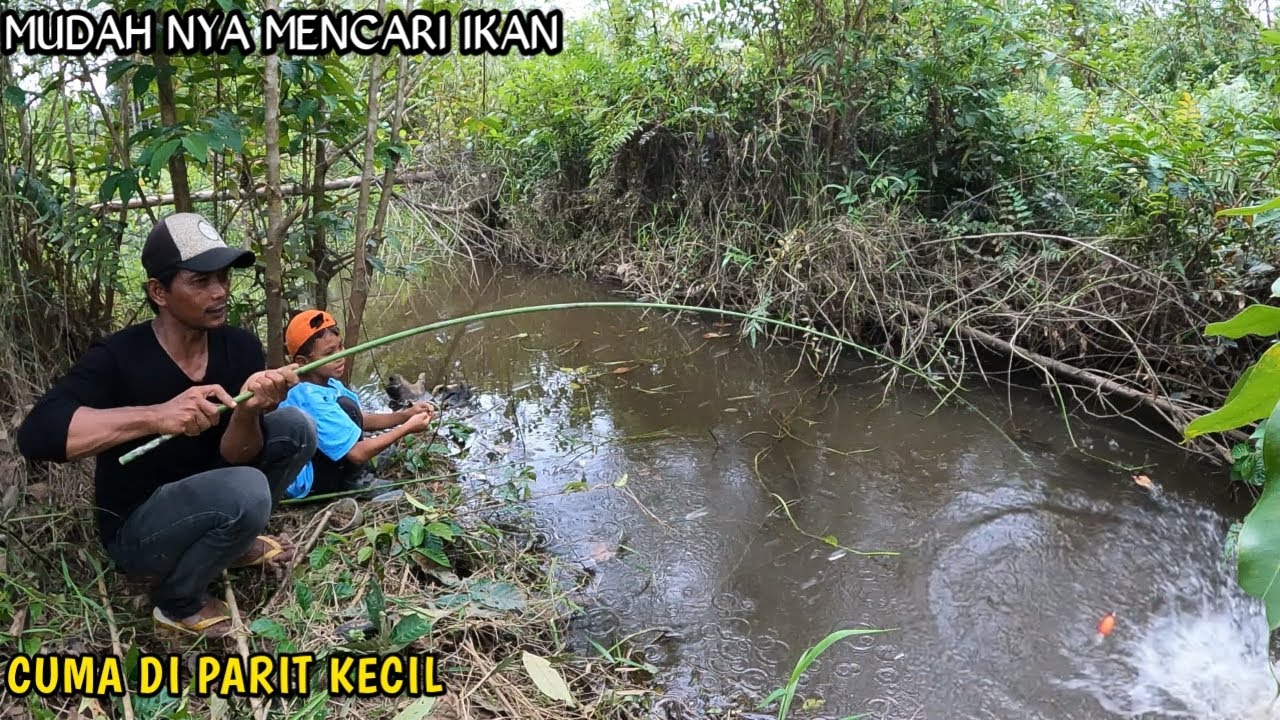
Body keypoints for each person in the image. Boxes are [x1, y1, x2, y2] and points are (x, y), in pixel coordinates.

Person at [16, 212, 318, 639]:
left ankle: (232, 542)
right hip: (139, 530)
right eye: (200, 282)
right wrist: (157, 415)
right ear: (159, 291)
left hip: (215, 492)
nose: (219, 293)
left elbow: (238, 455)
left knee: (296, 427)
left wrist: (249, 411)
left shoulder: (239, 347)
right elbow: (37, 434)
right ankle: (178, 603)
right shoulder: (120, 356)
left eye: (223, 278)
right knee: (246, 491)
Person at [278, 309, 436, 500]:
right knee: (346, 406)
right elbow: (356, 454)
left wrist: (406, 414)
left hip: (323, 459)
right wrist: (407, 428)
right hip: (309, 482)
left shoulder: (327, 382)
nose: (340, 356)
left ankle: (352, 472)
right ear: (303, 362)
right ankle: (354, 480)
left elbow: (360, 418)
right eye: (329, 353)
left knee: (348, 407)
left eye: (341, 346)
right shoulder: (308, 397)